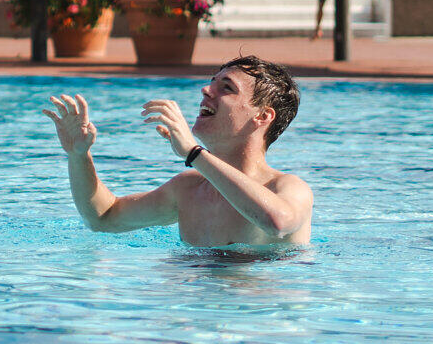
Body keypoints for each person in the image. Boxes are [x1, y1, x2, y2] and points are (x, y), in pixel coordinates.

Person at [43, 55, 312, 249]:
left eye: (226, 88)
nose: (206, 90)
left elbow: (277, 223)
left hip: (261, 319)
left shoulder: (288, 187)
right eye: (212, 83)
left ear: (263, 116)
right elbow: (104, 218)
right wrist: (79, 156)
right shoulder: (188, 190)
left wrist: (194, 153)